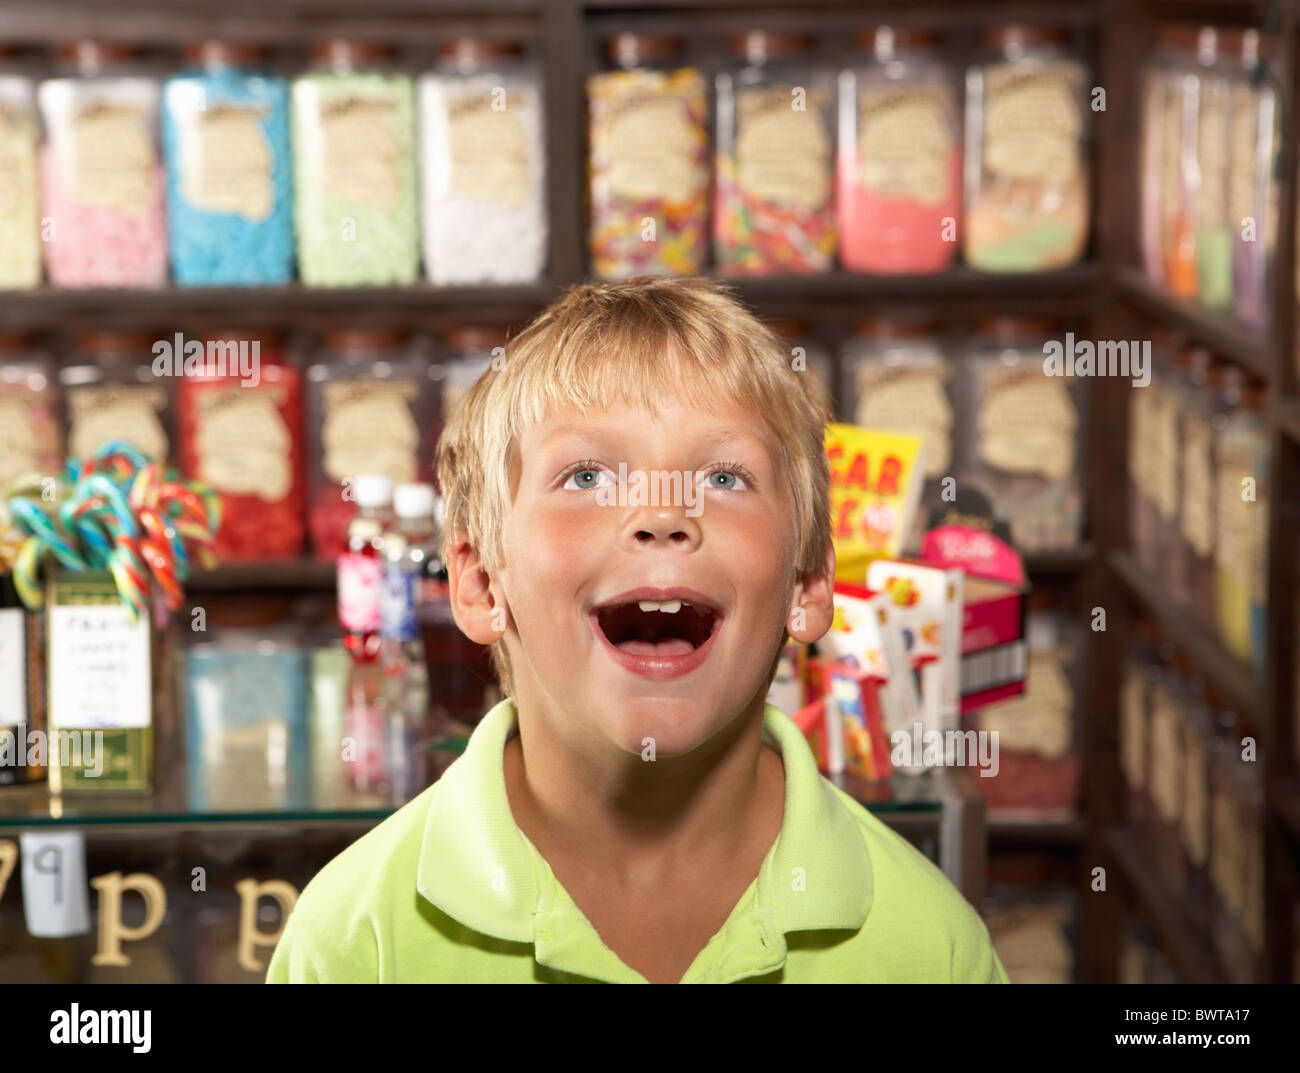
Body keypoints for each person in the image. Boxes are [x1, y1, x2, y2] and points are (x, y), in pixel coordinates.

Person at [266, 276, 1009, 983]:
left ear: (808, 586)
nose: (661, 514)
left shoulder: (930, 949)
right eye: (587, 476)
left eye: (723, 477)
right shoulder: (353, 946)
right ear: (481, 582)